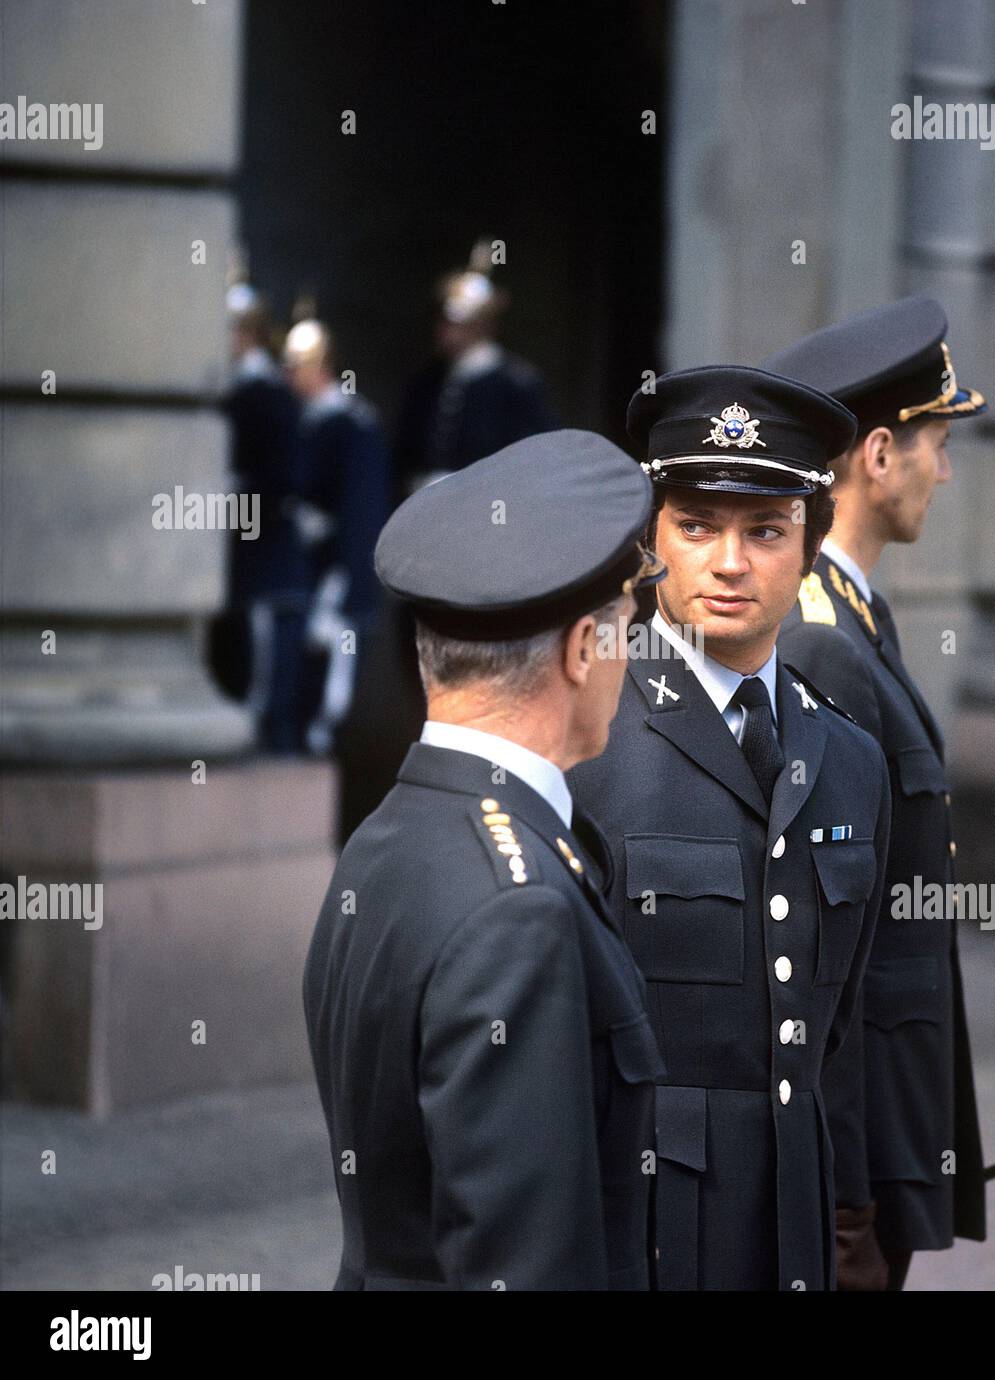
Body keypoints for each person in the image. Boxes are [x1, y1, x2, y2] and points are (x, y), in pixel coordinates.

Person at [303, 430, 668, 1289]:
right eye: (623, 633)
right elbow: (525, 1261)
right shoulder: (518, 907)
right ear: (583, 650)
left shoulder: (386, 835)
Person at [567, 367, 892, 1291]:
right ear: (650, 543)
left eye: (766, 531)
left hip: (793, 1232)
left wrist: (851, 1219)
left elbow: (841, 1032)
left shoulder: (850, 759)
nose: (730, 563)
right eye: (697, 527)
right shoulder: (586, 742)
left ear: (812, 544)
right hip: (642, 1240)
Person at [766, 295, 988, 1290]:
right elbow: (817, 948)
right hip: (851, 1143)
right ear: (878, 455)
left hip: (886, 1112)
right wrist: (845, 1184)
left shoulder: (852, 612)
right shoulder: (820, 637)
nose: (945, 470)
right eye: (937, 441)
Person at [283, 314, 392, 755]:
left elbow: (361, 515)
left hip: (333, 578)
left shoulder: (353, 425)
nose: (289, 374)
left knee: (327, 700)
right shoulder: (302, 419)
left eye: (297, 365)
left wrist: (346, 588)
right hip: (299, 574)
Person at [215, 279, 309, 752]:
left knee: (264, 699)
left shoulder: (267, 394)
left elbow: (283, 481)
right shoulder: (233, 390)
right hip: (241, 573)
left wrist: (227, 491)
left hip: (267, 572)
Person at [394, 242, 558, 493]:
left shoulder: (516, 383)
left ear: (482, 325)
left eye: (457, 324)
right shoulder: (428, 381)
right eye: (444, 322)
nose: (445, 331)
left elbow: (532, 462)